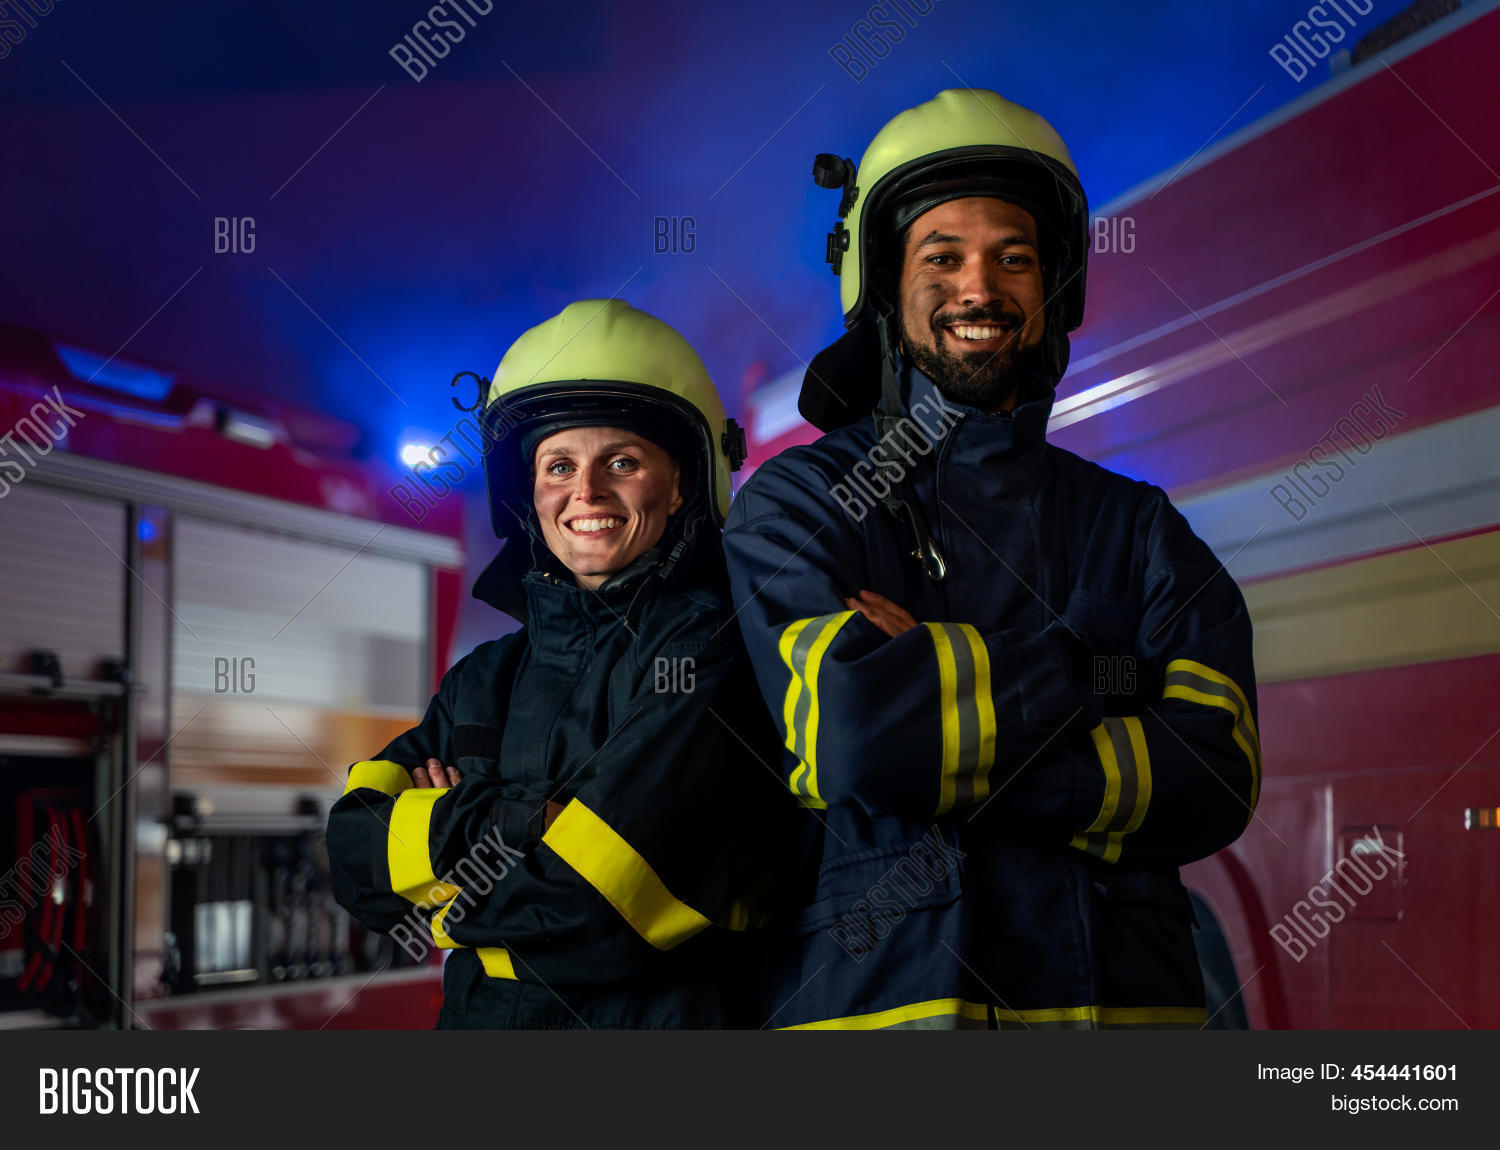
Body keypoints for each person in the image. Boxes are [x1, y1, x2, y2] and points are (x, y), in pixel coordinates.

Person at [722, 89, 1261, 1030]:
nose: (980, 288)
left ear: (1053, 288)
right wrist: (1096, 664)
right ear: (883, 285)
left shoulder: (1137, 525)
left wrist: (937, 714)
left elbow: (1215, 778)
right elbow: (850, 735)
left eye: (1014, 258)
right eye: (943, 257)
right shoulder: (803, 505)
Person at [328, 299, 784, 1028]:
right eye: (558, 465)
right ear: (526, 495)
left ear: (681, 484)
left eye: (623, 462)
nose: (586, 492)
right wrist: (527, 824)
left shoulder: (714, 652)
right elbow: (353, 847)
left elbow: (593, 905)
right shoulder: (483, 677)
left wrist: (440, 878)